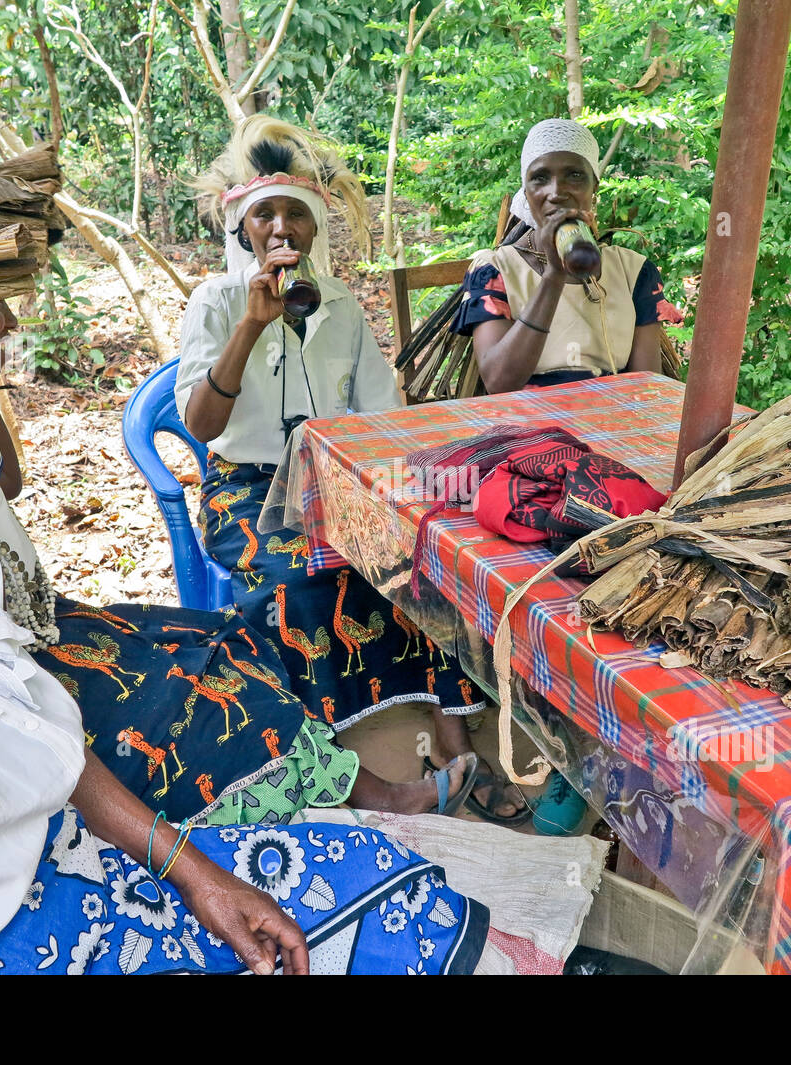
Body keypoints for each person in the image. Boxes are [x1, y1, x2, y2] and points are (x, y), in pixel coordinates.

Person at [0, 203, 489, 975]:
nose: (5, 322)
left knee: (231, 638)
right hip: (60, 619)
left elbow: (5, 651)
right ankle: (366, 792)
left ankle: (366, 785)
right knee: (222, 675)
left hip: (45, 673)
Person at [0, 284, 476, 828]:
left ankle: (346, 790)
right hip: (2, 660)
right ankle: (359, 803)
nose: (10, 323)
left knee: (226, 641)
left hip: (41, 621)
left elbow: (4, 482)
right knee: (207, 692)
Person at [178, 116, 529, 824]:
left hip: (335, 477)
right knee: (299, 582)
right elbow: (200, 425)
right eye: (265, 216)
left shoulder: (338, 308)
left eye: (295, 216)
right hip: (244, 486)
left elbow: (380, 415)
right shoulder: (215, 303)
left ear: (313, 230)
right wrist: (251, 323)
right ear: (244, 229)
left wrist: (387, 498)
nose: (282, 229)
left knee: (424, 561)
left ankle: (457, 740)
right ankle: (342, 769)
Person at [452, 118, 684, 393]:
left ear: (594, 185)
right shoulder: (494, 271)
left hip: (614, 425)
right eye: (540, 178)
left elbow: (646, 388)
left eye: (574, 175)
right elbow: (499, 384)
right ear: (526, 192)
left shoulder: (633, 271)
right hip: (529, 432)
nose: (557, 192)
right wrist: (554, 275)